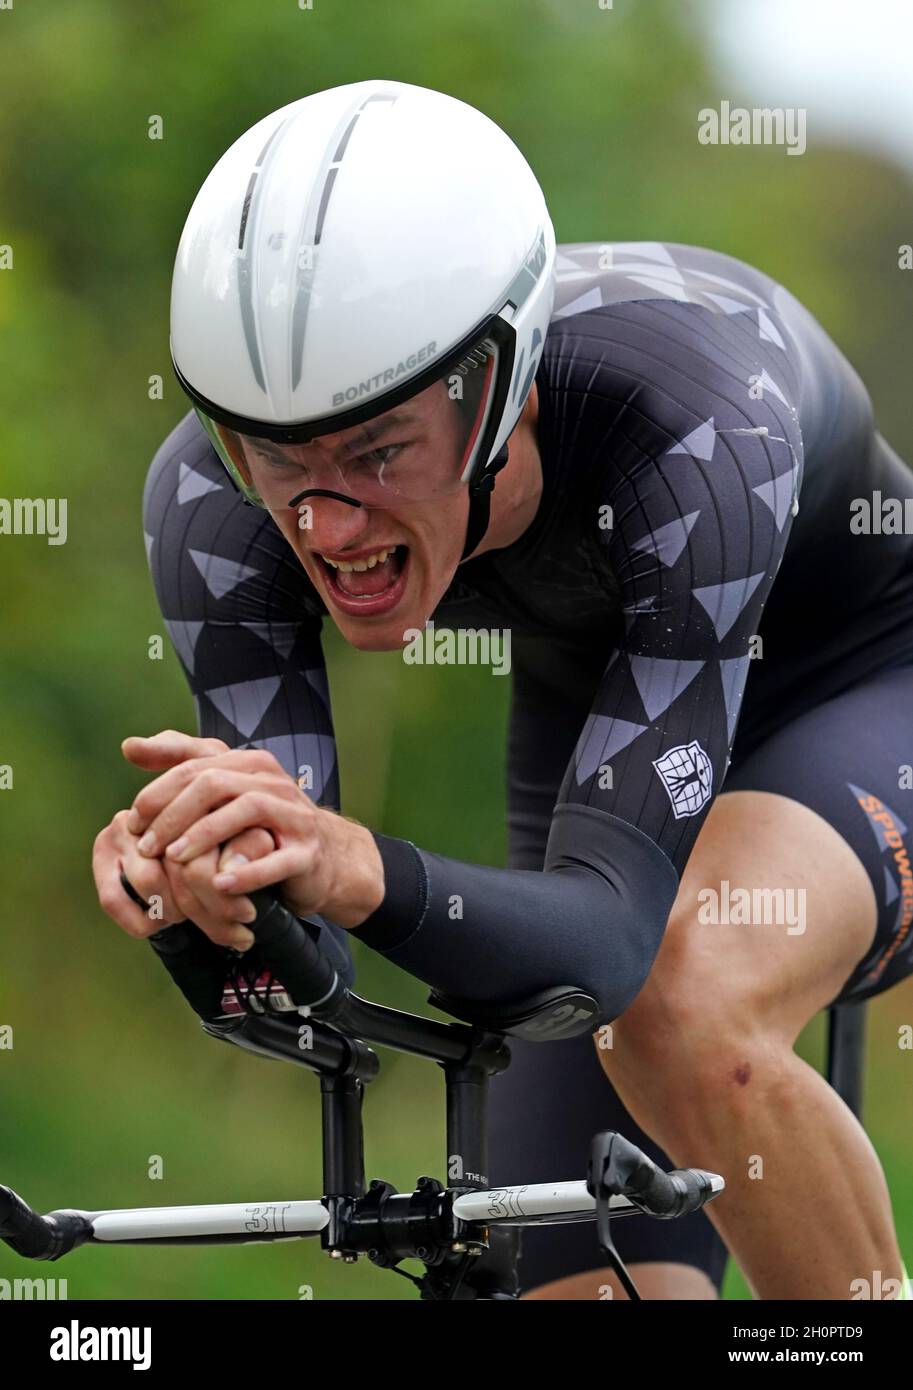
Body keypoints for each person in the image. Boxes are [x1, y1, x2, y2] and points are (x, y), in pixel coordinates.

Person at [93, 79, 913, 1300]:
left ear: (505, 387)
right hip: (608, 708)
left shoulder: (691, 420)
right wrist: (205, 905)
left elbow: (620, 940)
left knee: (683, 999)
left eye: (379, 453)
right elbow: (306, 990)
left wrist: (360, 862)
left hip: (857, 684)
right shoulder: (217, 507)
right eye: (277, 456)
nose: (322, 521)